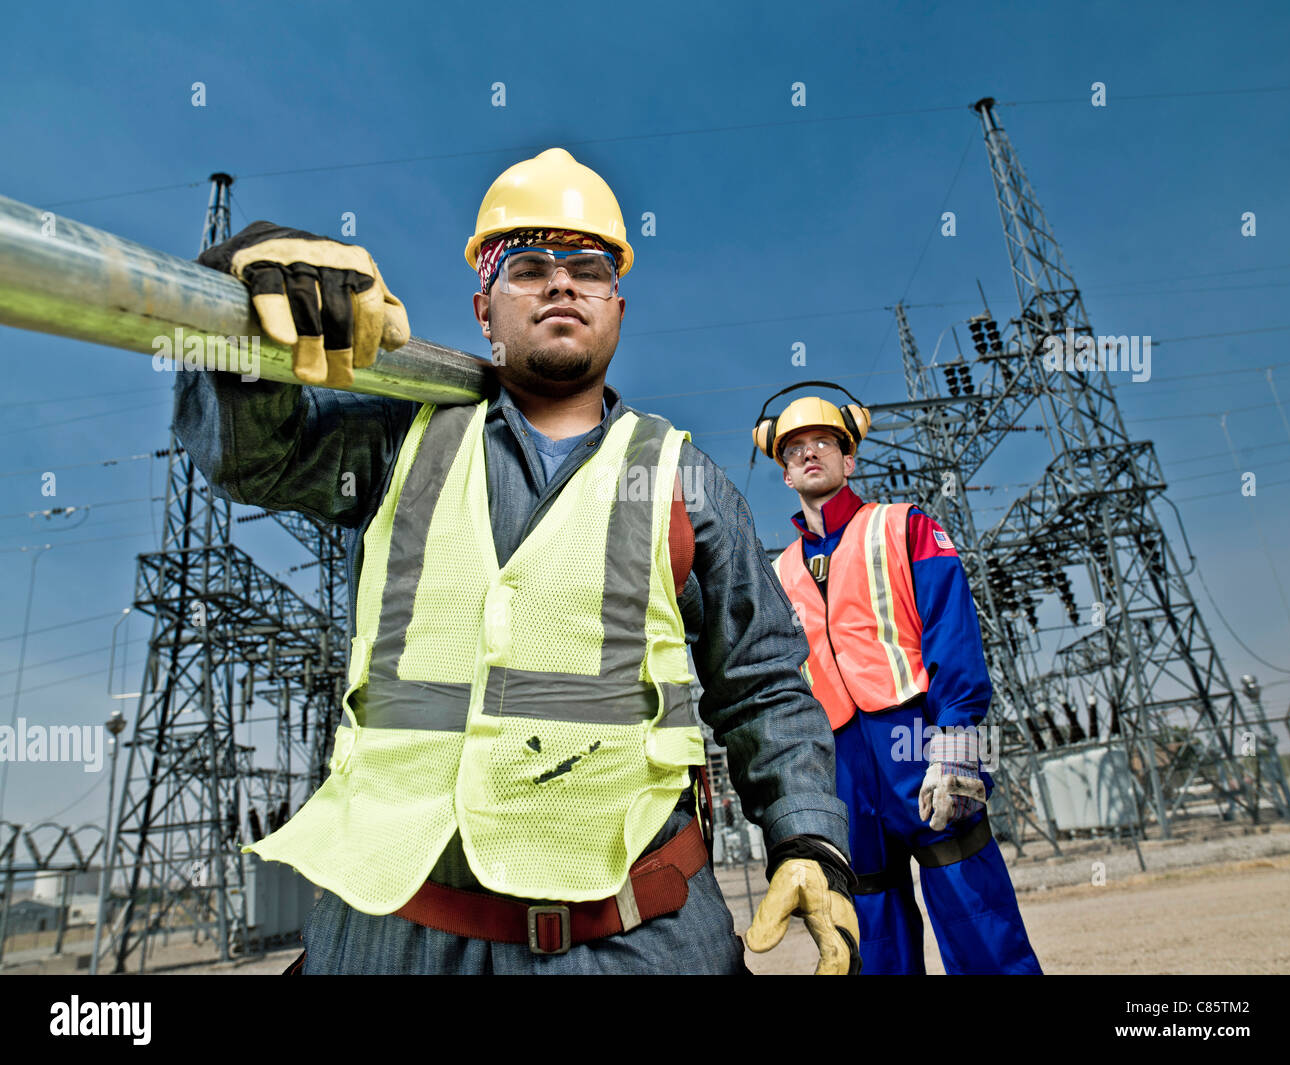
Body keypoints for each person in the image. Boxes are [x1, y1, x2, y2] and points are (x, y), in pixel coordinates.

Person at [173, 148, 859, 974]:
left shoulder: (683, 482)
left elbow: (763, 684)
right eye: (528, 266)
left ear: (617, 303)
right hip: (393, 938)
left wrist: (808, 834)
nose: (562, 283)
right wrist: (245, 300)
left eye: (588, 267)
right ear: (484, 310)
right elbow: (252, 455)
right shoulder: (397, 437)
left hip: (633, 939)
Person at [755, 391, 1041, 974]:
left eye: (824, 443)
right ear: (784, 474)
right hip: (840, 765)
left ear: (849, 460)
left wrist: (958, 743)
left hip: (919, 744)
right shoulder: (777, 573)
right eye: (794, 449)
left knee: (975, 912)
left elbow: (951, 631)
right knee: (872, 934)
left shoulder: (903, 526)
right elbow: (776, 686)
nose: (810, 454)